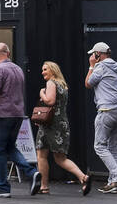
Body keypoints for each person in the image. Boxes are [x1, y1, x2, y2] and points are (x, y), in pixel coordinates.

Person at [0, 42, 40, 197]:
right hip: (18, 114)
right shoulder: (18, 69)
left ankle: (3, 187)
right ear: (8, 53)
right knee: (10, 147)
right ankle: (31, 172)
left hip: (3, 115)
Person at [32, 61, 91, 195]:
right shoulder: (63, 85)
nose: (42, 72)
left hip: (50, 125)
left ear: (53, 70)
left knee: (41, 155)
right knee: (60, 158)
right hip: (61, 123)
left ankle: (44, 186)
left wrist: (42, 93)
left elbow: (50, 101)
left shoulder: (51, 83)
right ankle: (83, 177)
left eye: (45, 69)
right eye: (42, 70)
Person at [85, 41, 117, 192]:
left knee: (99, 146)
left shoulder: (100, 67)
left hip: (106, 110)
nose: (92, 56)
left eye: (94, 54)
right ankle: (113, 184)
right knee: (113, 147)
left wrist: (91, 66)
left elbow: (88, 84)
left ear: (98, 55)